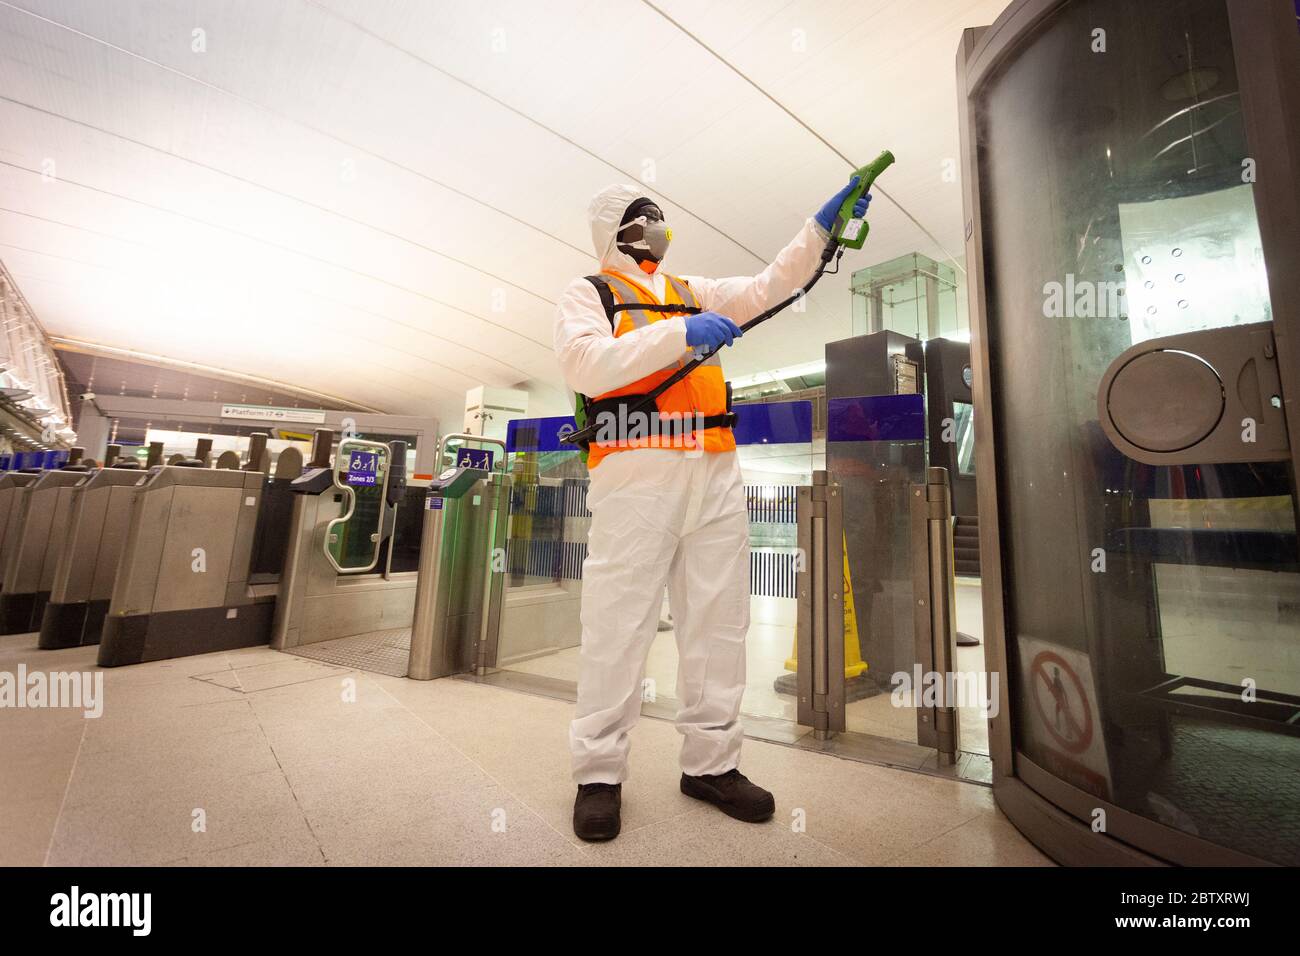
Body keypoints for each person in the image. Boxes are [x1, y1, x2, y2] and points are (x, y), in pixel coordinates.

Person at [553, 177, 872, 841]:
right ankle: (599, 774)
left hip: (718, 470)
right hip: (635, 470)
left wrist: (821, 229)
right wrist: (680, 337)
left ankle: (711, 764)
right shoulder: (592, 293)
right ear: (616, 231)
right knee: (619, 626)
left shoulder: (689, 289)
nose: (660, 231)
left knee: (720, 623)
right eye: (646, 221)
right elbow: (585, 365)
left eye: (662, 220)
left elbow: (766, 288)